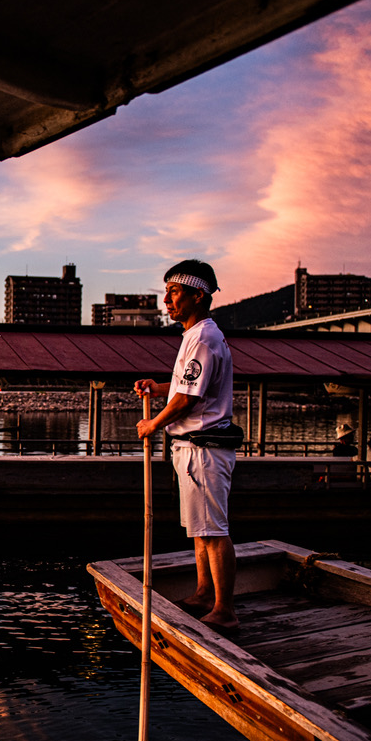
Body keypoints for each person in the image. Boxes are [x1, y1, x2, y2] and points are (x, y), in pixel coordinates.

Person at [135, 259, 239, 635]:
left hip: (204, 448)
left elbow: (189, 401)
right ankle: (202, 593)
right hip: (192, 448)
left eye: (174, 292)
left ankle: (225, 609)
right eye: (166, 293)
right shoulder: (195, 336)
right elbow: (184, 388)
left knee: (213, 530)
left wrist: (153, 424)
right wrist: (157, 387)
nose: (167, 300)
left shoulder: (204, 337)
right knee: (199, 530)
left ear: (199, 295)